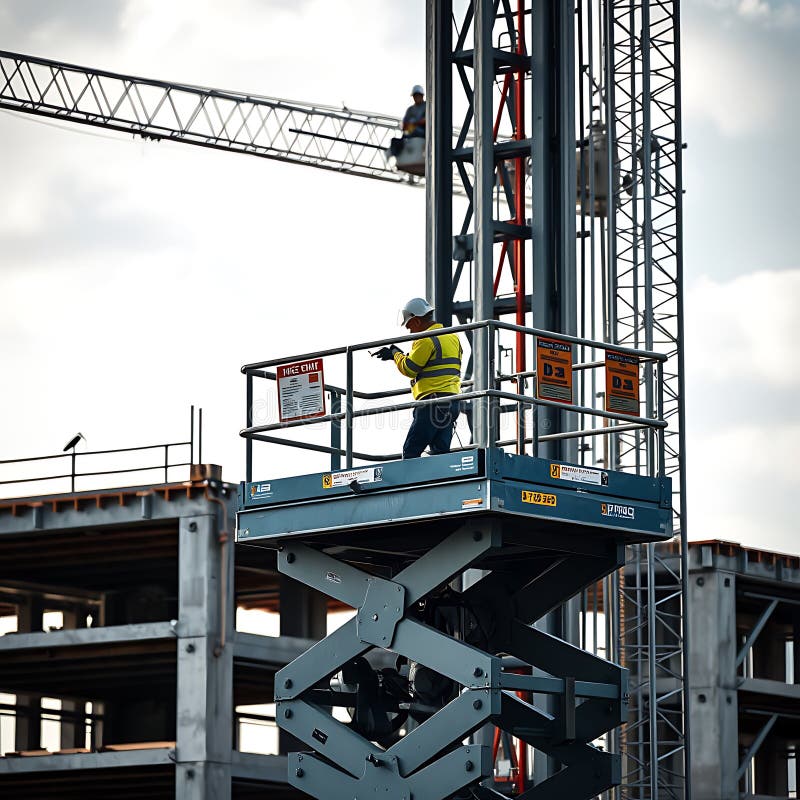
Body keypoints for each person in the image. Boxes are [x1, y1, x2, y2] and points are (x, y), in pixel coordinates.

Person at [372, 298, 462, 459]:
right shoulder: (451, 337)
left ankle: (407, 483)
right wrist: (400, 355)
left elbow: (410, 368)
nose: (410, 332)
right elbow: (434, 363)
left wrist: (395, 354)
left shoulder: (425, 339)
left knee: (411, 450)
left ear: (417, 320)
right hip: (452, 402)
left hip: (432, 404)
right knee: (440, 453)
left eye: (409, 326)